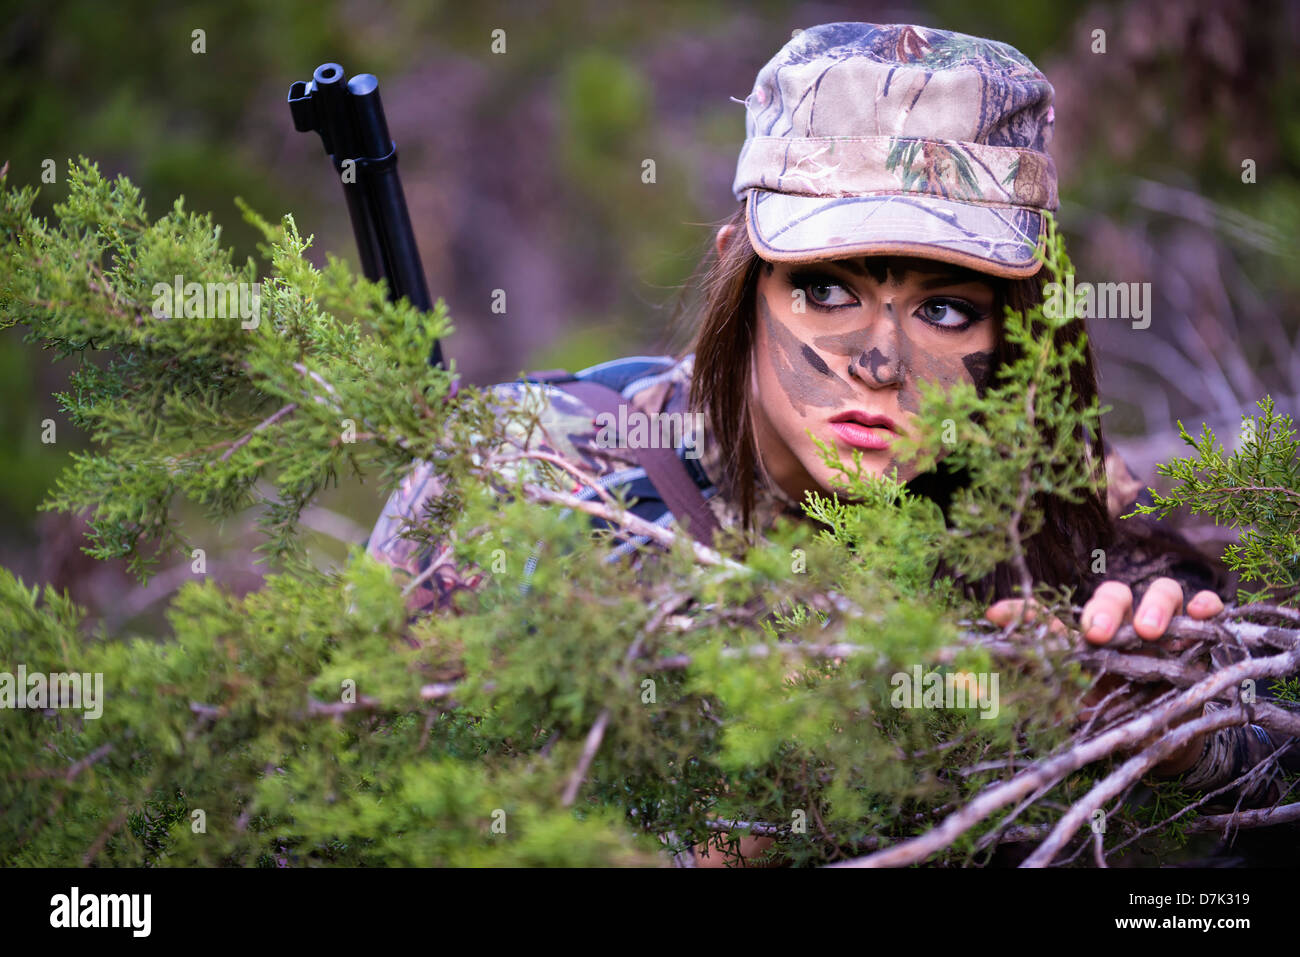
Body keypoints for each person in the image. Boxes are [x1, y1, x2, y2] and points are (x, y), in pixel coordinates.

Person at [366, 22, 1291, 865]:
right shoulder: (522, 484)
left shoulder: (1040, 505)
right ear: (742, 274)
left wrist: (1187, 731)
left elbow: (1263, 778)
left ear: (1013, 333)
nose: (882, 362)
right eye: (827, 290)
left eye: (945, 308)